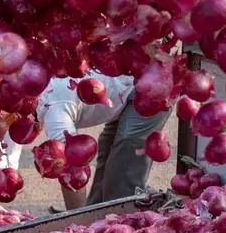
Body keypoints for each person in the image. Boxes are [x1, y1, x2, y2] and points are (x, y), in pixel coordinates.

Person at [37, 73, 171, 210]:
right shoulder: (39, 87)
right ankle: (96, 215)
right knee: (107, 150)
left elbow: (72, 172)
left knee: (124, 161)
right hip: (124, 88)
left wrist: (76, 223)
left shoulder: (53, 110)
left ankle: (123, 221)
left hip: (153, 84)